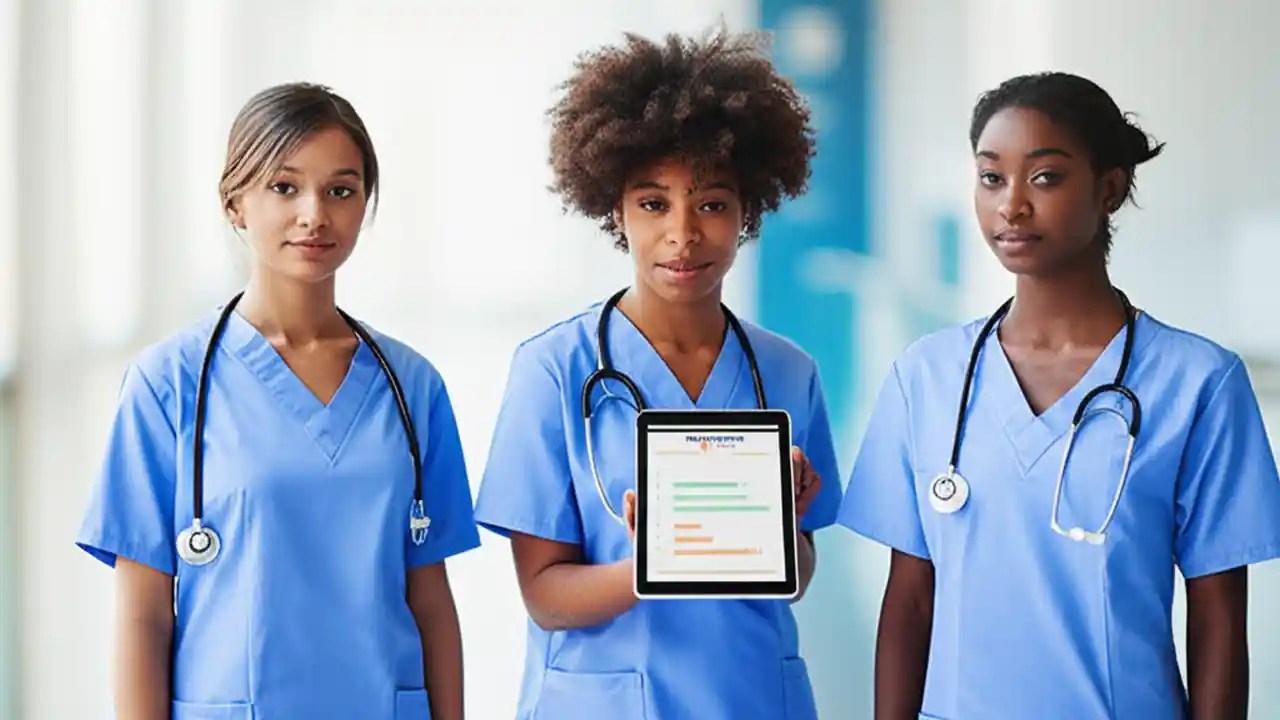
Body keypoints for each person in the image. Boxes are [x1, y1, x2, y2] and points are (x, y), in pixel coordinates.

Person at [838, 71, 1280, 719]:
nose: (1011, 205)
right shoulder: (926, 376)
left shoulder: (1198, 383)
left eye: (1045, 177)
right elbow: (909, 599)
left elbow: (1217, 615)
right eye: (992, 178)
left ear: (1109, 188)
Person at [75, 82, 479, 720]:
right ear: (235, 203)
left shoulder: (413, 387)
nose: (314, 214)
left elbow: (430, 601)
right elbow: (142, 615)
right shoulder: (168, 384)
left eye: (341, 190)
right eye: (285, 187)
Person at [472, 27, 842, 720]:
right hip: (605, 702)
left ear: (748, 211)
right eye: (653, 204)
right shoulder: (555, 369)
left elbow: (797, 576)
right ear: (615, 209)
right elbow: (545, 596)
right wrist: (655, 563)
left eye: (712, 204)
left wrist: (783, 530)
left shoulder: (788, 372)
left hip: (750, 697)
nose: (683, 233)